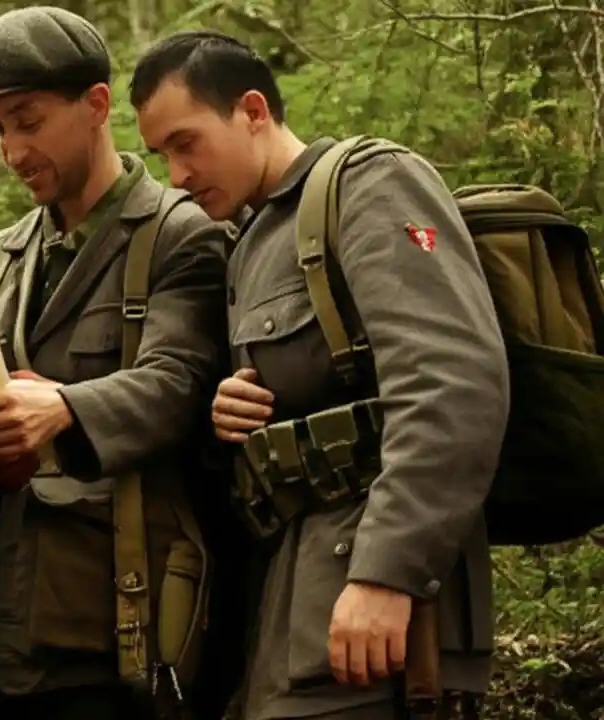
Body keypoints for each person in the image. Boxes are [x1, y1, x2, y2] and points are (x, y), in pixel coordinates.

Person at [129, 31, 509, 720]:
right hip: (291, 613)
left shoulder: (369, 184)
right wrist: (233, 415)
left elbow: (453, 383)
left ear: (252, 110)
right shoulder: (252, 242)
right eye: (161, 156)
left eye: (186, 143)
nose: (176, 176)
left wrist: (387, 573)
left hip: (381, 619)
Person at [0, 8, 236, 719]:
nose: (11, 151)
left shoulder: (180, 235)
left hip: (107, 615)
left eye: (27, 121)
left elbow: (179, 382)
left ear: (96, 105)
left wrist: (64, 409)